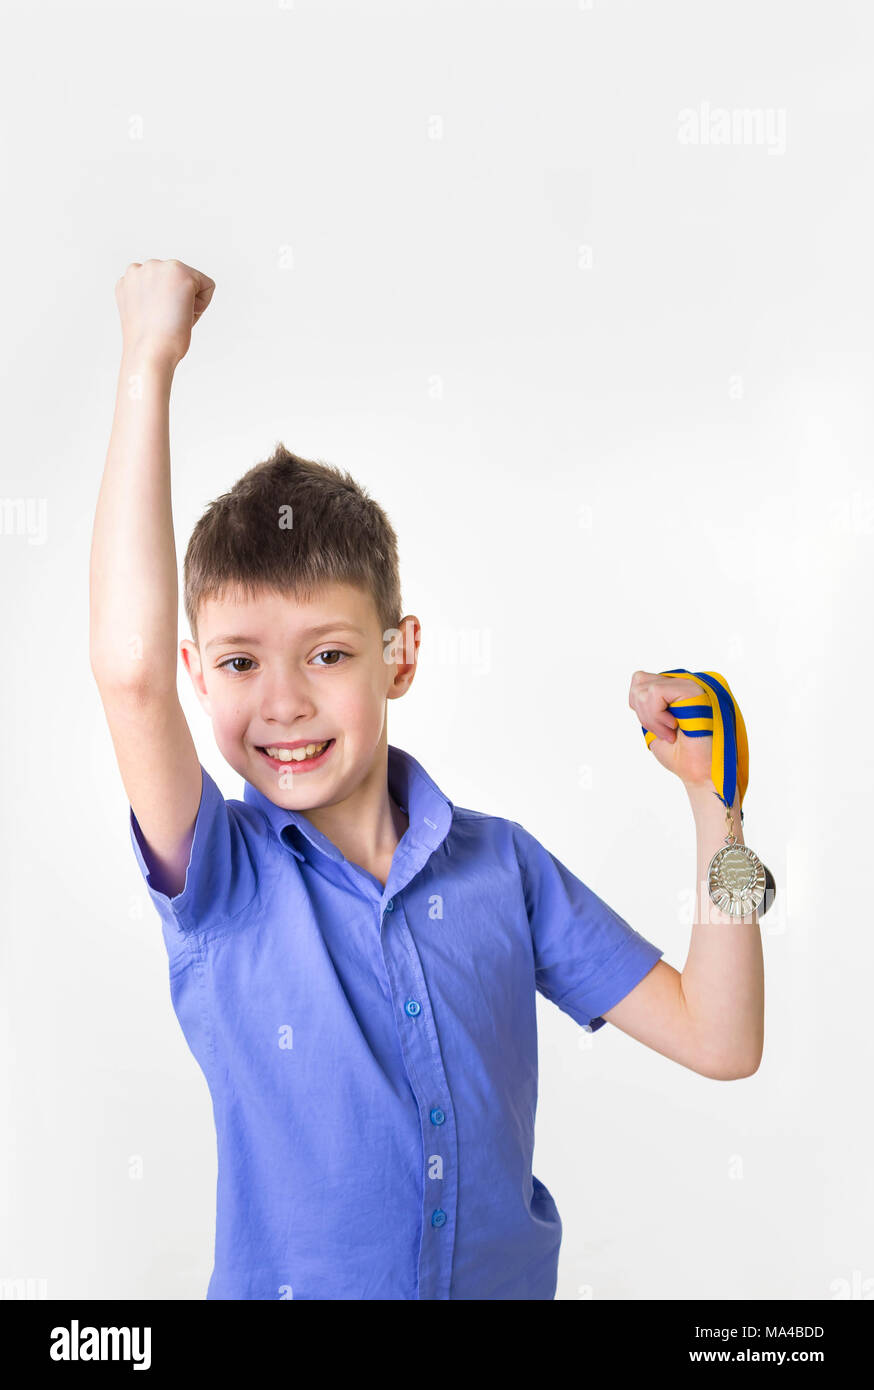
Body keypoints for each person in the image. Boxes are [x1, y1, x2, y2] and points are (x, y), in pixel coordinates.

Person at [89, 258, 764, 1301]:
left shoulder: (505, 868)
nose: (282, 702)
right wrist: (149, 359)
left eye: (326, 654)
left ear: (399, 653)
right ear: (196, 673)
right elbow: (128, 677)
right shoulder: (224, 881)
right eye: (238, 661)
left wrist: (716, 813)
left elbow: (720, 1041)